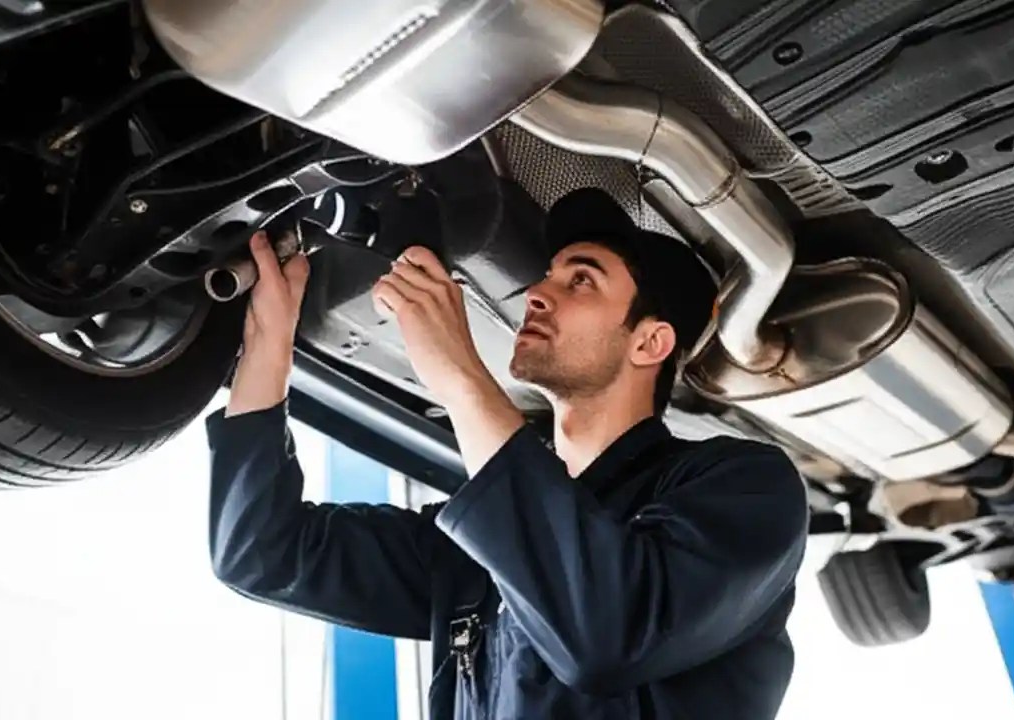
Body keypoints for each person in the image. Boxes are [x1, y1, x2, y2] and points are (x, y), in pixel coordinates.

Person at [207, 187, 809, 719]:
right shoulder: (477, 554)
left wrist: (461, 377)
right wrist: (271, 339)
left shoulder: (746, 488)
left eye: (582, 280)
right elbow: (261, 552)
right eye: (546, 276)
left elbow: (606, 634)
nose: (539, 294)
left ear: (650, 342)